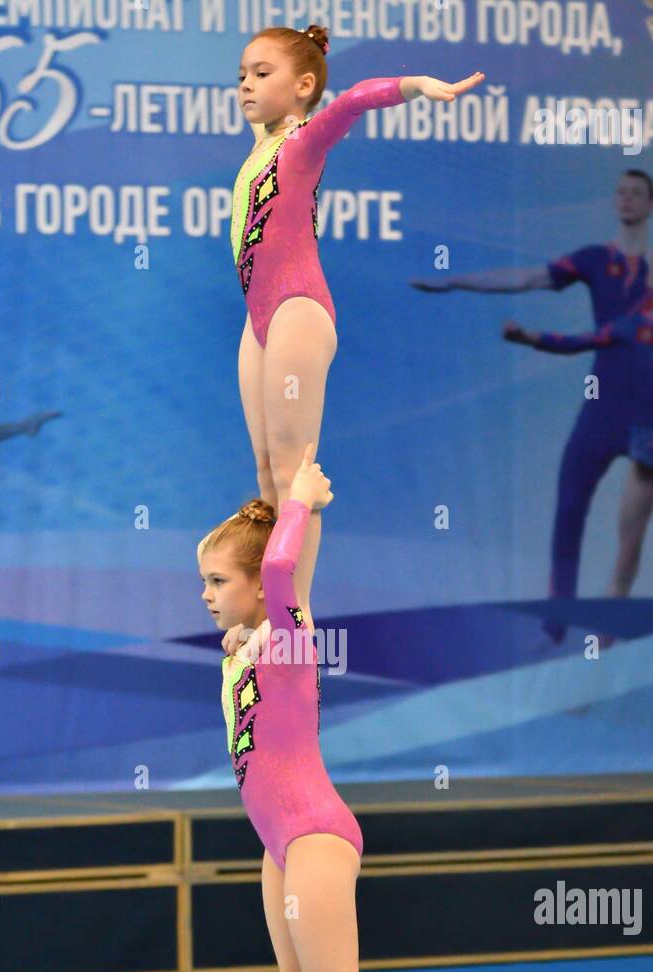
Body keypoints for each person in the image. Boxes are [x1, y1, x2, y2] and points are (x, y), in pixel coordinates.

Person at [234, 22, 484, 637]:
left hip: (296, 306)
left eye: (261, 74)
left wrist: (414, 86)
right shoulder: (260, 149)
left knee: (297, 472)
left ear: (303, 86)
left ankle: (295, 614)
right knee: (268, 475)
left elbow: (349, 104)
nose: (245, 85)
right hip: (259, 316)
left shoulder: (299, 142)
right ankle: (273, 606)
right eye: (241, 75)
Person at [198, 444, 379, 972]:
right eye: (202, 581)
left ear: (252, 585)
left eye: (216, 582)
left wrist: (298, 497)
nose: (205, 596)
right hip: (279, 845)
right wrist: (242, 642)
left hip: (314, 835)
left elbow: (280, 575)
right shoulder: (248, 647)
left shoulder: (295, 637)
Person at [410, 169, 653, 640]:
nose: (626, 199)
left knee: (631, 537)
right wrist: (457, 281)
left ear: (650, 203)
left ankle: (606, 636)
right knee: (569, 508)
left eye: (637, 193)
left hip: (646, 417)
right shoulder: (596, 259)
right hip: (602, 406)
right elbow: (525, 279)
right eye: (620, 191)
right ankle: (555, 625)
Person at [504, 283, 653, 635]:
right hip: (632, 443)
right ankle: (578, 632)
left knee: (627, 554)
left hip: (646, 449)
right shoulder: (633, 327)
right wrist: (529, 338)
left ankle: (603, 640)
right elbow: (578, 341)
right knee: (611, 544)